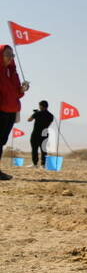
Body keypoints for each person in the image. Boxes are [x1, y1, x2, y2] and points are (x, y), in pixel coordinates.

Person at [0, 44, 30, 180]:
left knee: (1, 141)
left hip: (11, 111)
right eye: (7, 54)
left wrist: (22, 89)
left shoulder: (12, 72)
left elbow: (16, 93)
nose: (10, 58)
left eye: (12, 55)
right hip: (1, 110)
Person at [27, 100, 53, 168]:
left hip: (36, 134)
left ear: (41, 106)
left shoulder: (37, 113)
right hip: (45, 133)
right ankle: (43, 165)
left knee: (34, 149)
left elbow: (29, 120)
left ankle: (35, 164)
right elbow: (49, 124)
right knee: (44, 150)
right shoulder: (51, 115)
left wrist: (35, 113)